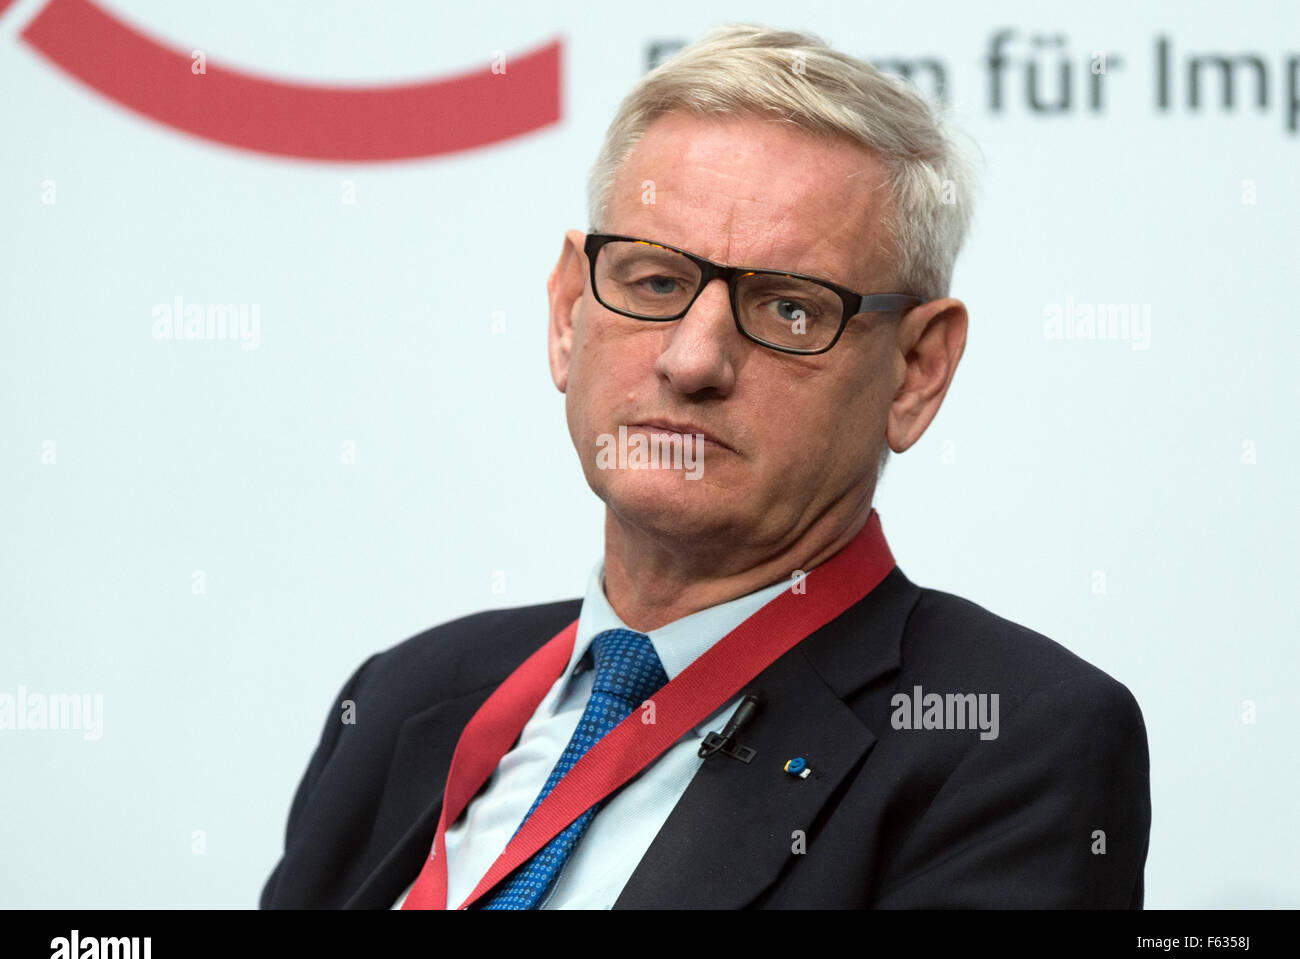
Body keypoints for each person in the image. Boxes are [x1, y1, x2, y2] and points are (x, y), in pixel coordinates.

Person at [260, 23, 1150, 910]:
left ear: (916, 372)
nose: (692, 362)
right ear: (570, 312)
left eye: (790, 310)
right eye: (654, 283)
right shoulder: (405, 697)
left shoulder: (1014, 740)